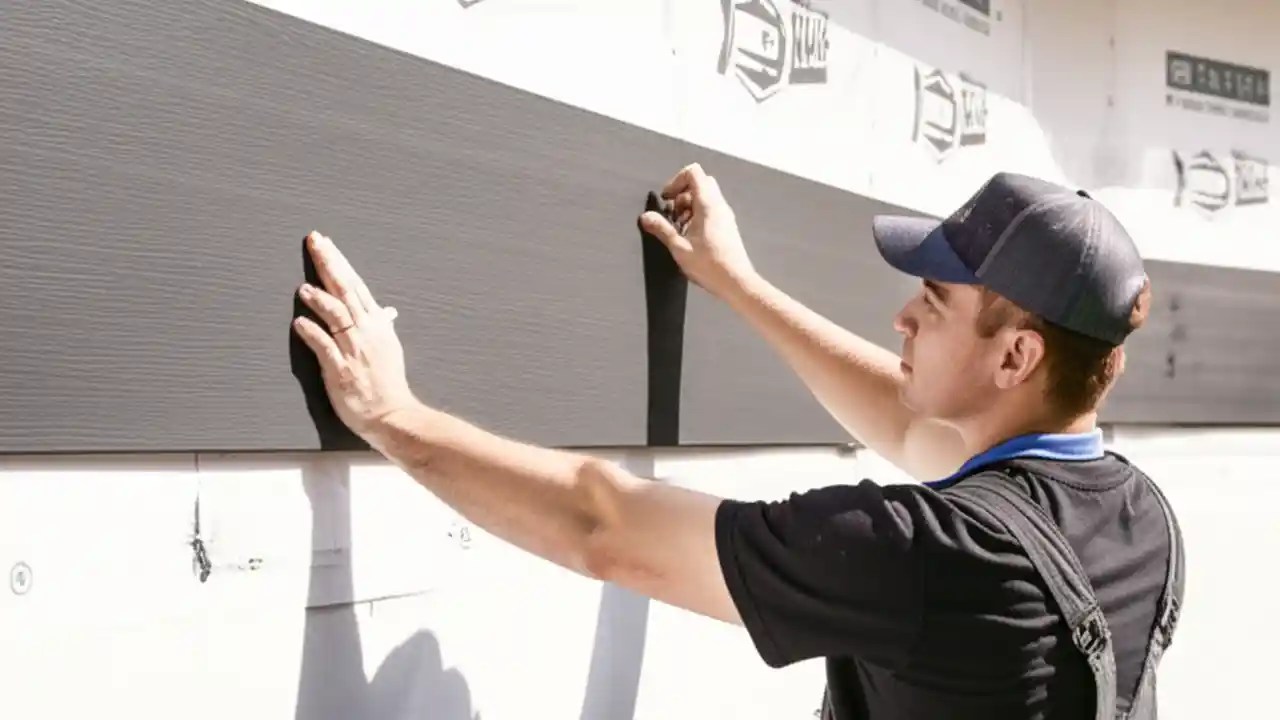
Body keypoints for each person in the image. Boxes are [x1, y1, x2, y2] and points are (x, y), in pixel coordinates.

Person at [291, 165, 1181, 719]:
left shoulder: (929, 555)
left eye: (935, 304)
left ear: (1017, 356)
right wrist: (738, 283)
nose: (903, 318)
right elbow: (912, 425)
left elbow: (607, 527)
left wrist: (393, 416)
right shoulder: (1141, 521)